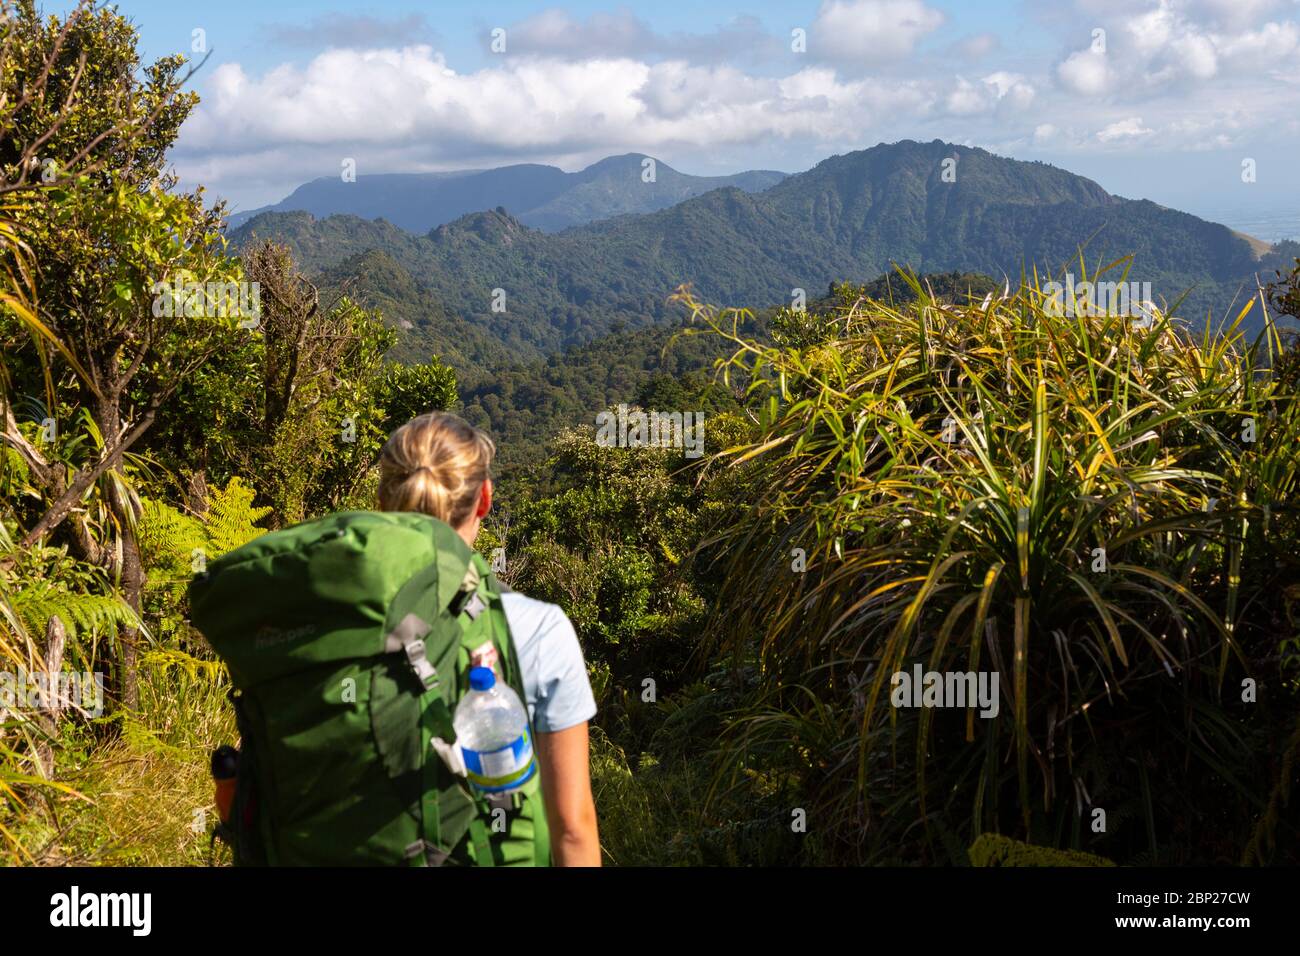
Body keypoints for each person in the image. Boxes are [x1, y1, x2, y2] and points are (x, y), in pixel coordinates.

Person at [376, 411, 601, 866]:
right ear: (485, 500)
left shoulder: (338, 624)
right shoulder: (539, 630)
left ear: (383, 504)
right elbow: (572, 828)